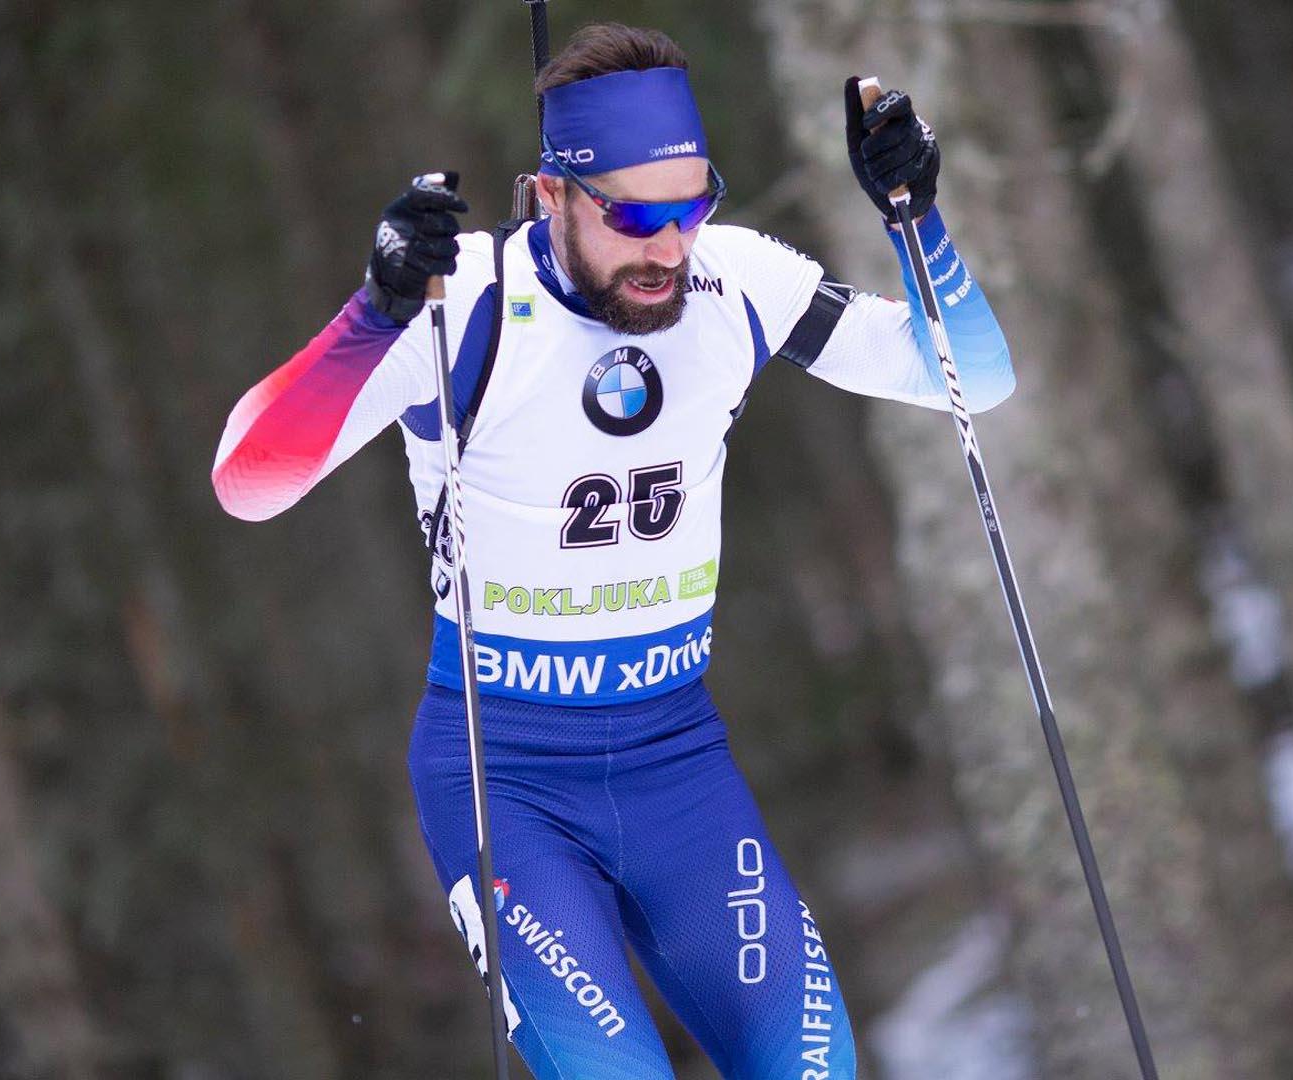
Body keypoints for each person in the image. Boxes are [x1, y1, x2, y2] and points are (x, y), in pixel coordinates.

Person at [211, 22, 1012, 1079]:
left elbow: (970, 377)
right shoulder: (468, 307)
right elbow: (247, 482)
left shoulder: (734, 283)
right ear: (552, 195)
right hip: (508, 780)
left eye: (690, 207)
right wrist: (376, 310)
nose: (669, 247)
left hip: (676, 760)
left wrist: (917, 223)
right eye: (636, 215)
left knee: (814, 1066)